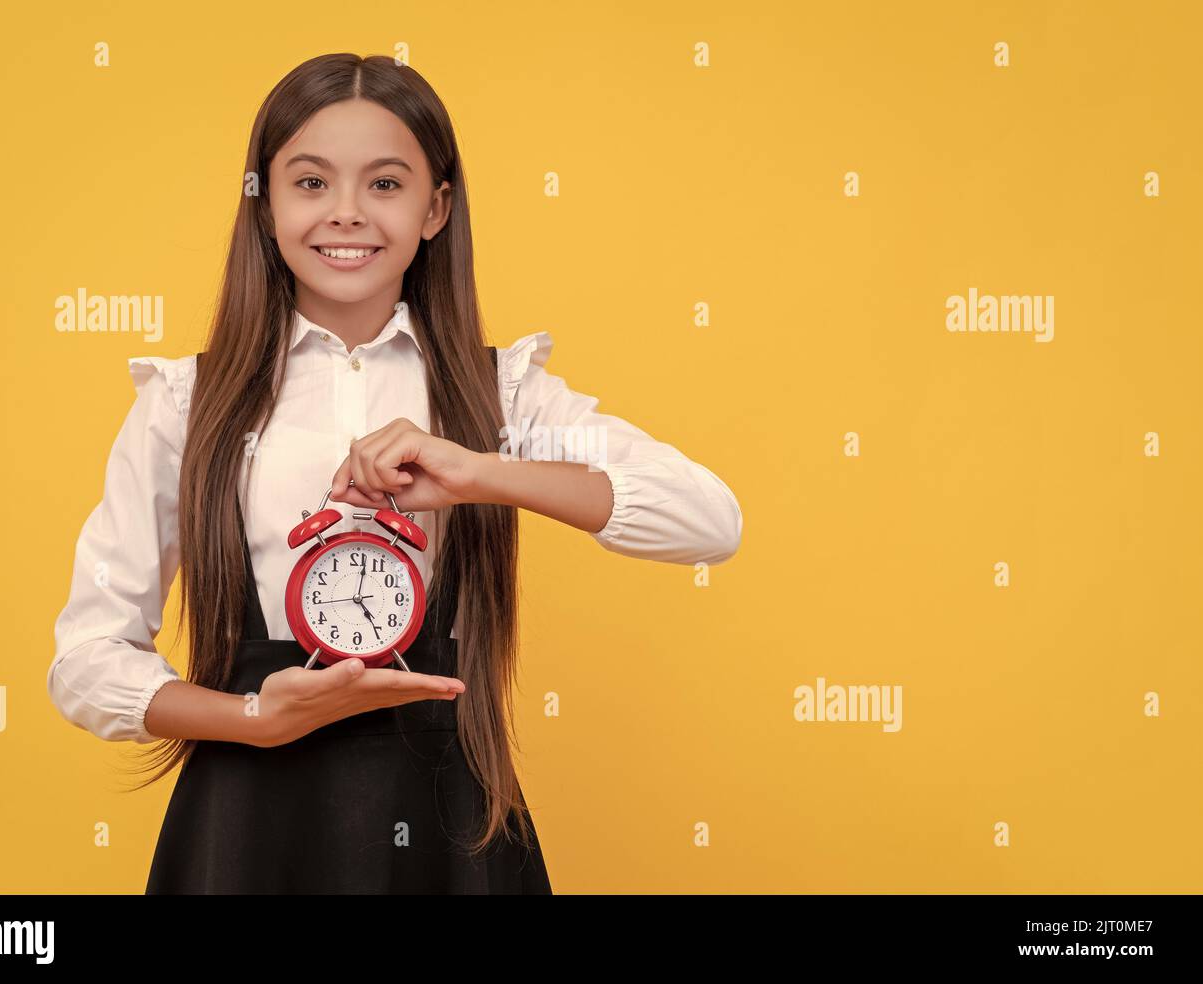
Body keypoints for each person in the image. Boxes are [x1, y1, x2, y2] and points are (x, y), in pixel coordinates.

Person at [47, 52, 743, 894]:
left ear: (436, 207)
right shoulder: (187, 403)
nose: (346, 214)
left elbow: (709, 521)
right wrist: (255, 718)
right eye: (310, 183)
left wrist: (481, 471)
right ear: (264, 207)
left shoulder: (501, 391)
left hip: (451, 821)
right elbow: (87, 658)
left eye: (384, 184)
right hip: (245, 823)